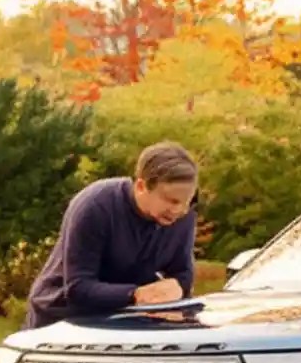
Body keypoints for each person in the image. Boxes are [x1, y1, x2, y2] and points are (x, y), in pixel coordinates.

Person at [23, 141, 199, 329]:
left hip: (126, 319)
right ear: (141, 186)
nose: (179, 210)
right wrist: (135, 294)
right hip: (61, 320)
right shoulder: (95, 206)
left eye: (186, 202)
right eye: (171, 201)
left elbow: (183, 273)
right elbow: (78, 287)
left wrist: (177, 287)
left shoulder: (182, 217)